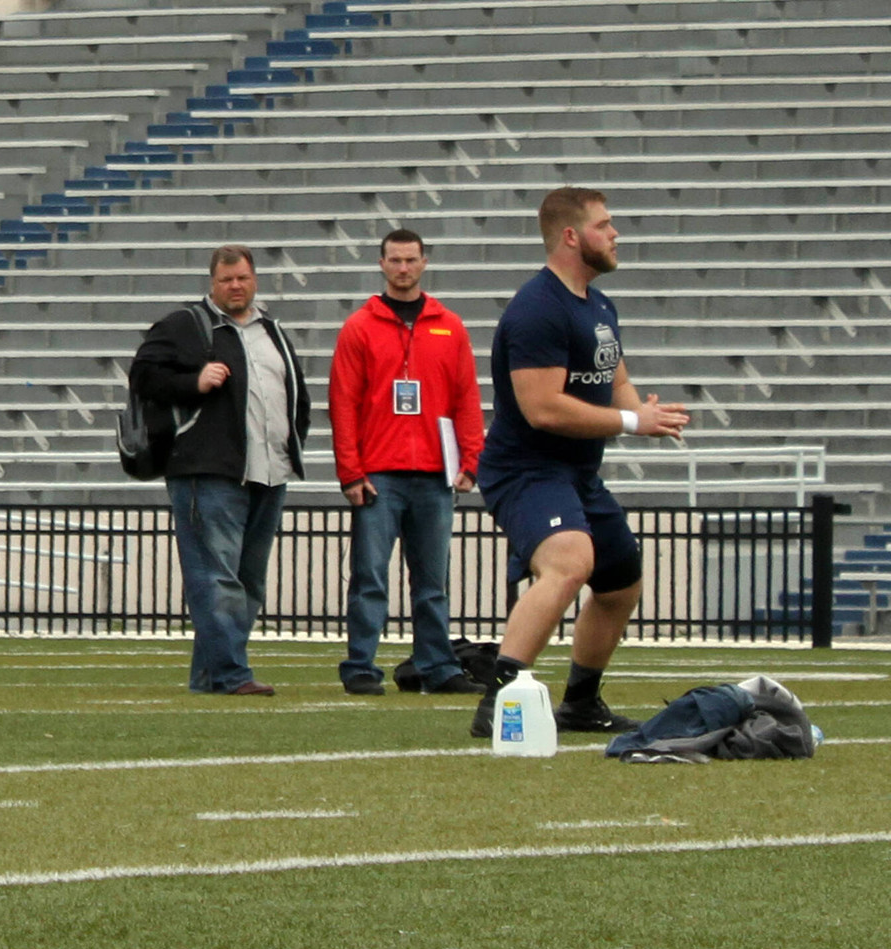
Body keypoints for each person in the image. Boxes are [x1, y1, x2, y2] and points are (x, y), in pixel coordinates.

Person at [469, 187, 689, 739]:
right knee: (570, 560)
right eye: (605, 224)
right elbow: (542, 409)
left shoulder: (597, 303)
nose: (615, 234)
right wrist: (632, 424)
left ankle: (581, 703)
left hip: (576, 472)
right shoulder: (538, 307)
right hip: (525, 468)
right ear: (572, 236)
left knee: (620, 582)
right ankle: (498, 701)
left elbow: (614, 378)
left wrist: (642, 410)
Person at [129, 244, 310, 696]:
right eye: (226, 279)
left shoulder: (272, 329)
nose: (235, 286)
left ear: (254, 280)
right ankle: (232, 674)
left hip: (269, 471)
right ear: (212, 283)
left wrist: (293, 445)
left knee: (247, 581)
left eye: (243, 278)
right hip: (207, 473)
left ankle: (210, 677)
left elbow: (294, 395)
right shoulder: (186, 325)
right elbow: (142, 376)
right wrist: (193, 381)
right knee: (216, 579)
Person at [329, 228, 486, 697]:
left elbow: (467, 399)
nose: (403, 268)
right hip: (378, 474)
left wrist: (471, 460)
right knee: (370, 577)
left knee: (432, 581)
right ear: (381, 264)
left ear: (424, 262)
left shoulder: (449, 326)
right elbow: (343, 404)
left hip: (434, 475)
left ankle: (438, 667)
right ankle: (360, 665)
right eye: (394, 260)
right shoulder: (360, 327)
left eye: (410, 260)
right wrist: (350, 472)